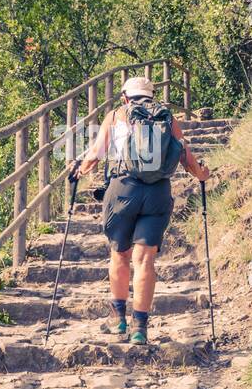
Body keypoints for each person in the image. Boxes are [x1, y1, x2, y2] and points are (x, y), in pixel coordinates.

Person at [71, 75, 211, 345]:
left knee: (120, 255)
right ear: (151, 95)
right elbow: (186, 156)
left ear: (125, 97)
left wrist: (80, 171)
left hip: (123, 190)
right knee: (145, 260)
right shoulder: (167, 118)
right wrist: (202, 175)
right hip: (157, 192)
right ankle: (140, 329)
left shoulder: (116, 116)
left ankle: (118, 319)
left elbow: (96, 153)